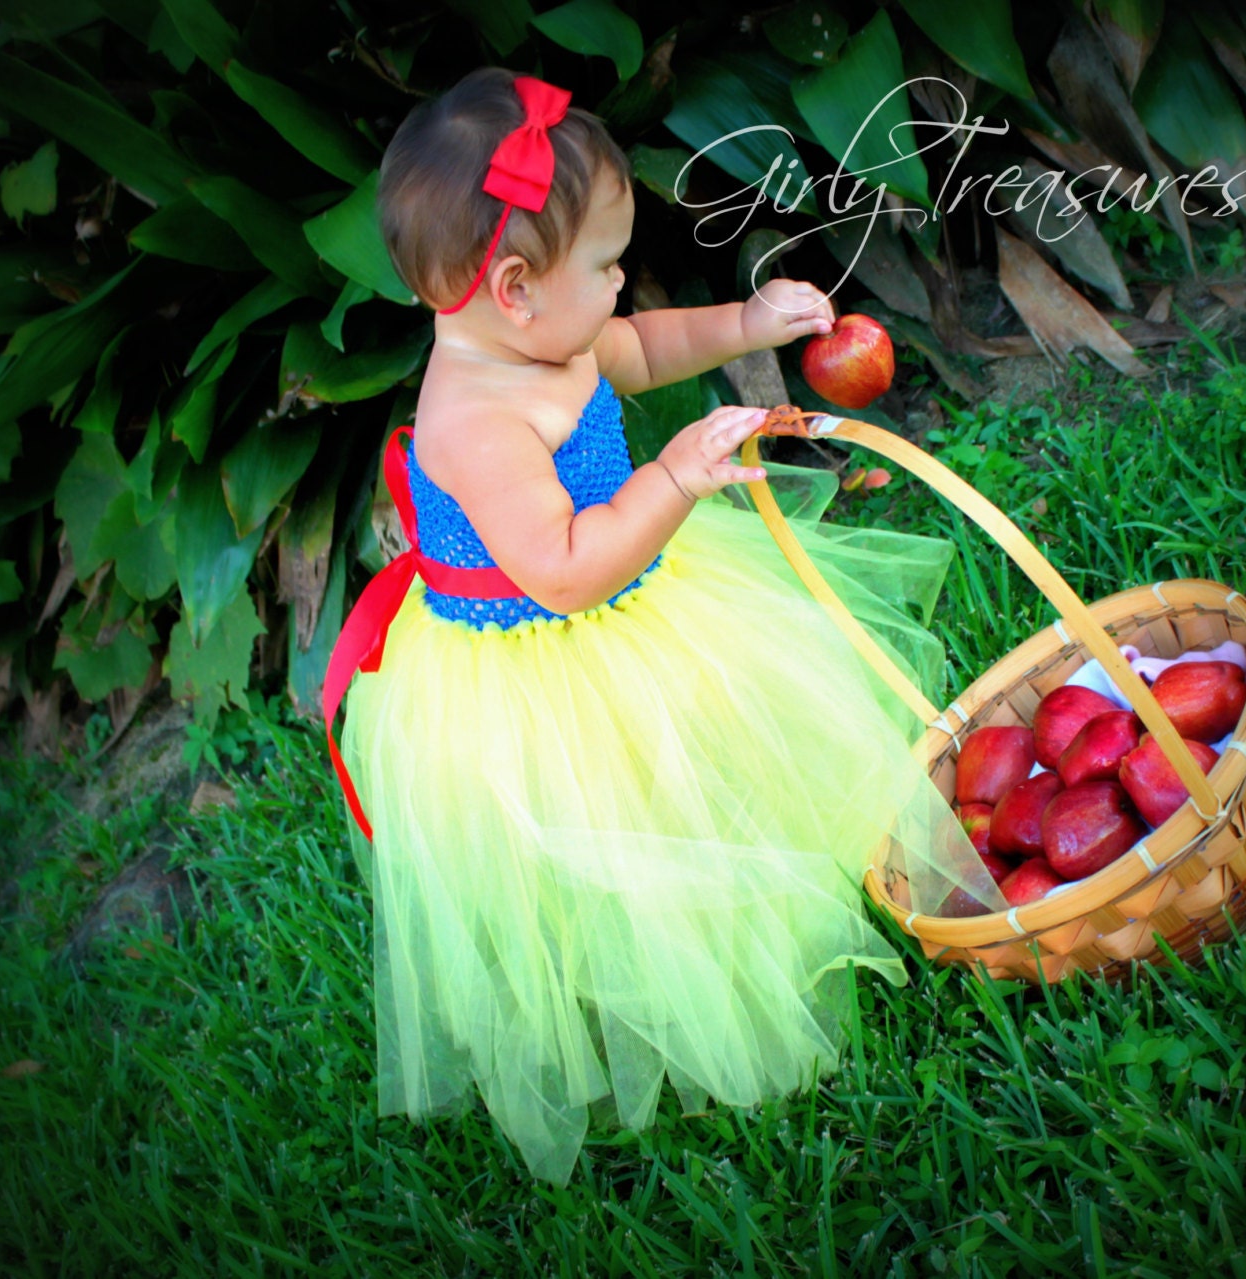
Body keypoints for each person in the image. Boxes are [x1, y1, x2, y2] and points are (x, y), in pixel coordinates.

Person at [325, 67, 998, 1186]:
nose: (621, 283)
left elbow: (633, 351)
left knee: (730, 752)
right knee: (620, 840)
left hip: (637, 597)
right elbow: (563, 572)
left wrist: (747, 323)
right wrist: (676, 477)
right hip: (542, 666)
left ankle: (784, 884)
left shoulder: (538, 336)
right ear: (515, 287)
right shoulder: (477, 424)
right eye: (606, 266)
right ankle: (677, 986)